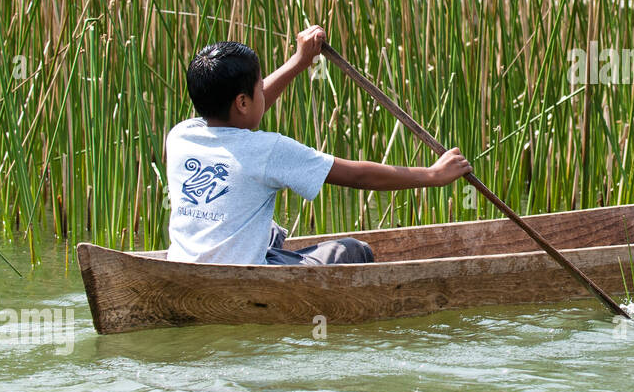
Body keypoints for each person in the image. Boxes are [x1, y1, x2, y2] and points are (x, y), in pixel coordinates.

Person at [165, 24, 470, 265]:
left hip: (187, 266)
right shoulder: (269, 150)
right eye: (259, 86)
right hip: (241, 280)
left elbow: (242, 116)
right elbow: (358, 176)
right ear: (242, 101)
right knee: (353, 250)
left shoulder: (180, 136)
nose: (264, 90)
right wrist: (433, 175)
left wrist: (299, 62)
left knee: (271, 231)